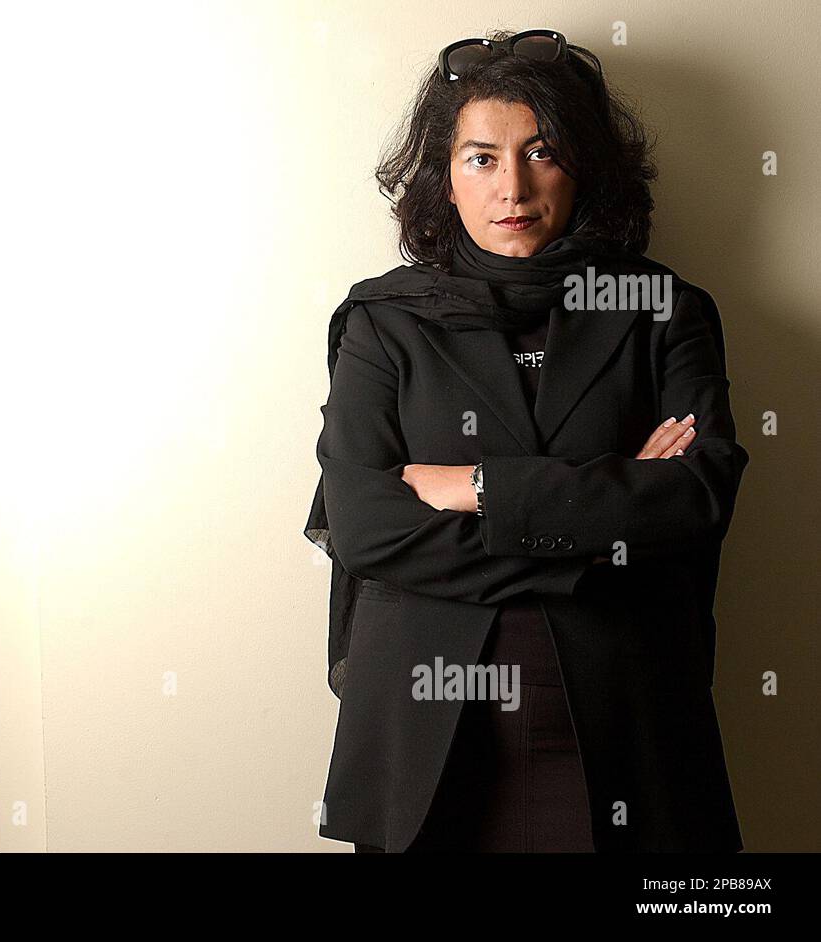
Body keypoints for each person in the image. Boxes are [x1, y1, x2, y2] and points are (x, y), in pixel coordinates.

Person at [305, 29, 748, 852]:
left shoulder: (663, 311)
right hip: (425, 731)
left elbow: (698, 496)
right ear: (445, 175)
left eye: (542, 151)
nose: (512, 185)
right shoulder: (383, 323)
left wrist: (479, 489)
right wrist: (605, 513)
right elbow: (365, 527)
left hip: (626, 723)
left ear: (583, 165)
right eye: (480, 157)